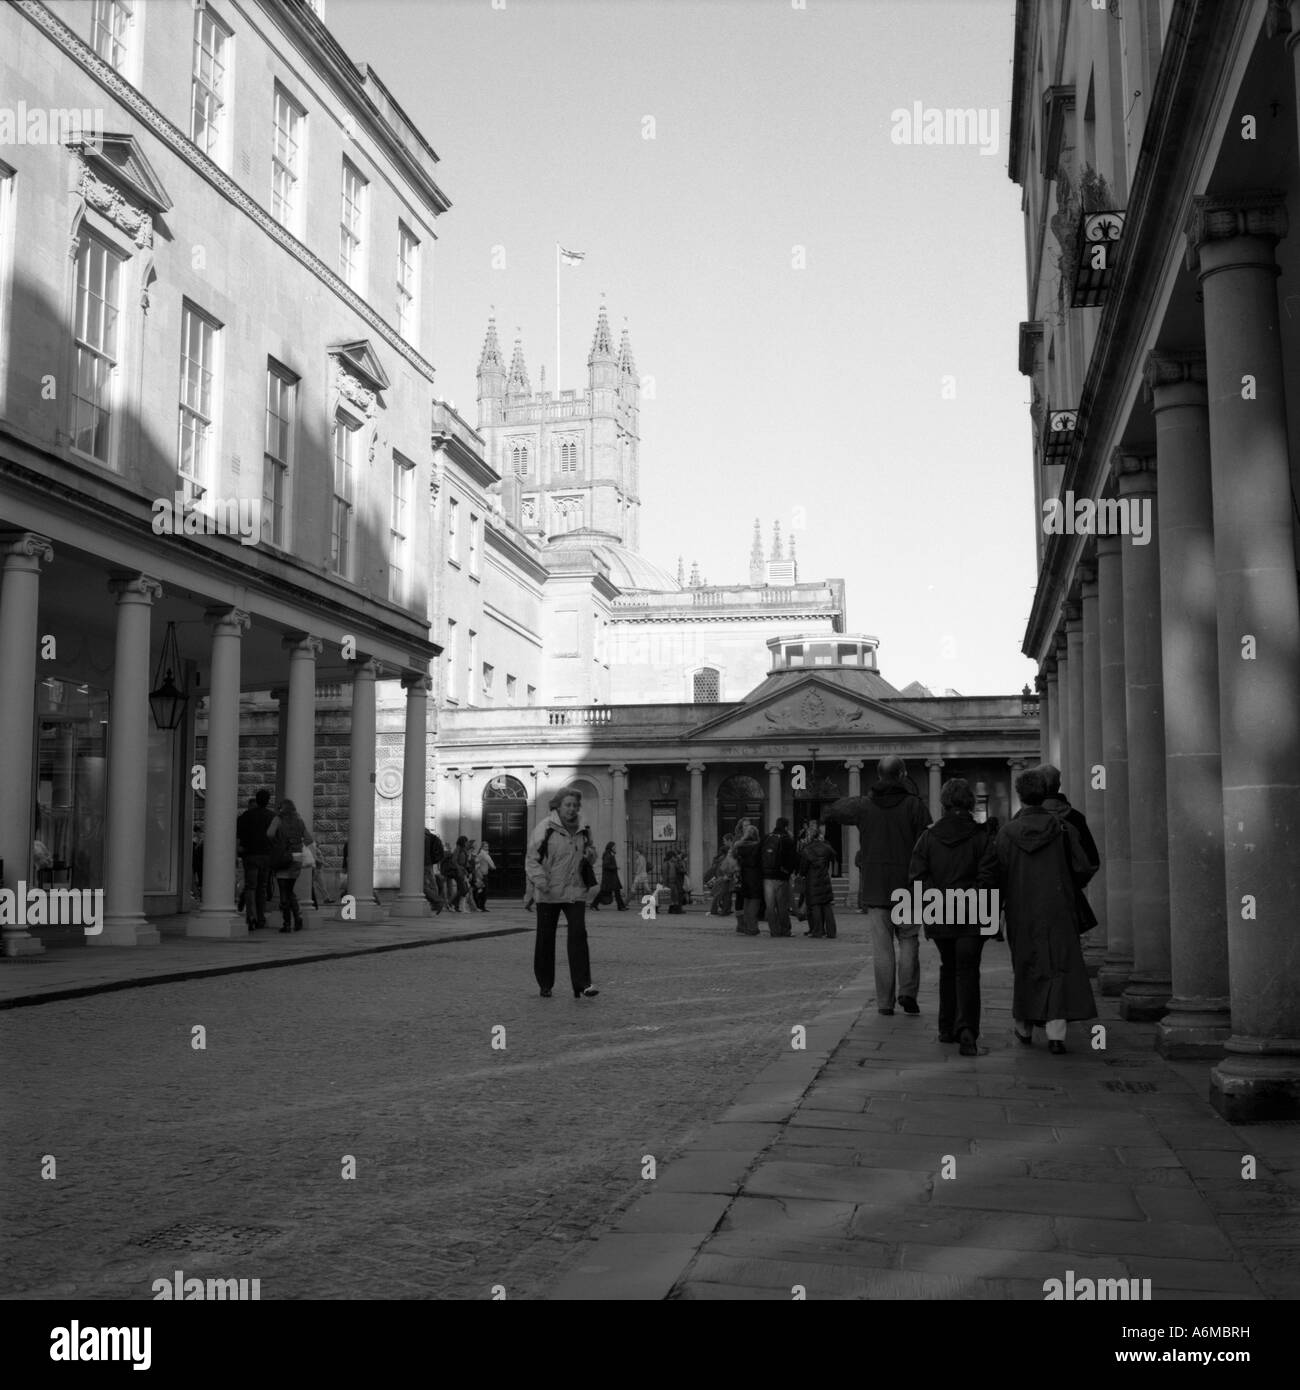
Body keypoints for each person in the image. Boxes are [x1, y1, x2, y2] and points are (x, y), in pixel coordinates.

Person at [990, 767, 1098, 1053]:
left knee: (1025, 966)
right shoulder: (1064, 829)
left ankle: (1024, 1026)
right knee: (1059, 967)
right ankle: (1056, 1034)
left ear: (1020, 796)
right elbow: (1084, 867)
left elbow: (996, 876)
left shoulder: (1006, 833)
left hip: (1021, 909)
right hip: (1059, 907)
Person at [824, 756, 931, 1015]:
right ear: (903, 774)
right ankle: (907, 992)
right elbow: (927, 844)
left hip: (876, 887)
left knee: (882, 947)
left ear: (879, 775)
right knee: (908, 940)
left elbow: (834, 809)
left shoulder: (865, 805)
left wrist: (866, 796)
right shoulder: (915, 806)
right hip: (908, 886)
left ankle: (885, 1002)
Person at [908, 779, 996, 1055]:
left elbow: (918, 877)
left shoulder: (928, 837)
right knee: (968, 969)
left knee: (948, 966)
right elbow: (989, 877)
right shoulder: (982, 837)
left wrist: (938, 901)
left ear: (944, 803)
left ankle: (946, 1027)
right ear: (969, 803)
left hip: (940, 912)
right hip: (973, 913)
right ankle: (967, 1028)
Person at [525, 787, 599, 999]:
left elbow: (591, 853)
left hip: (575, 890)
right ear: (558, 806)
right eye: (568, 804)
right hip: (548, 892)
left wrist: (591, 855)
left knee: (578, 934)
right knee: (545, 938)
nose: (572, 809)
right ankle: (545, 983)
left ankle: (582, 984)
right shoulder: (544, 828)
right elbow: (532, 859)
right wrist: (540, 882)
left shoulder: (584, 828)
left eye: (575, 805)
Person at [1038, 764, 1101, 934]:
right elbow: (1092, 861)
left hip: (1032, 899)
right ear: (1058, 785)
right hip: (1067, 895)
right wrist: (1074, 882)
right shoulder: (1075, 817)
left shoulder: (1020, 821)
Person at [267, 797, 313, 933]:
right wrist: (297, 844)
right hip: (297, 858)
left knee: (283, 891)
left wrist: (278, 841)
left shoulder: (278, 819)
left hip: (283, 857)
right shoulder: (299, 821)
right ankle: (297, 918)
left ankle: (287, 923)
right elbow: (309, 839)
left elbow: (269, 834)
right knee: (289, 889)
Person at [236, 790, 274, 931]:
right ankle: (261, 917)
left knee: (250, 887)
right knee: (262, 888)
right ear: (268, 800)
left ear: (256, 801)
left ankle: (251, 916)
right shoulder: (272, 817)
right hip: (266, 856)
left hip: (250, 855)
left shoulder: (246, 816)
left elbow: (238, 837)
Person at [798, 819, 839, 939]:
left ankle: (818, 931)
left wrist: (802, 874)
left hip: (812, 880)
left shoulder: (807, 850)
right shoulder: (826, 847)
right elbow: (834, 855)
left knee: (815, 905)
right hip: (824, 878)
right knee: (826, 905)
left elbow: (803, 868)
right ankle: (831, 932)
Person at [758, 817, 798, 937]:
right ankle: (785, 930)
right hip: (781, 876)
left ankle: (774, 931)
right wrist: (789, 872)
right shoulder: (787, 839)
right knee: (782, 906)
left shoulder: (766, 837)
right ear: (786, 826)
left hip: (767, 876)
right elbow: (793, 859)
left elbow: (759, 854)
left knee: (770, 906)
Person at [732, 824, 763, 936]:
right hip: (755, 876)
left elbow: (733, 860)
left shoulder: (739, 846)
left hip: (742, 876)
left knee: (746, 901)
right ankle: (752, 927)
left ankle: (745, 925)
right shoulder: (758, 847)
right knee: (754, 902)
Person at [597, 842, 627, 910]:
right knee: (604, 892)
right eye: (614, 846)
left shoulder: (611, 854)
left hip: (612, 876)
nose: (615, 848)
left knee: (617, 892)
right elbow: (606, 865)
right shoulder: (607, 854)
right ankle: (594, 905)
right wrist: (615, 867)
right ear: (610, 847)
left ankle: (621, 906)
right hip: (609, 877)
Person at [423, 828, 445, 913]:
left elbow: (423, 852)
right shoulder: (432, 837)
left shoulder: (423, 838)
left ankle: (437, 901)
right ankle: (436, 902)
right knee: (432, 883)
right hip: (429, 863)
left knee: (420, 886)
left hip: (423, 863)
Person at [474, 840, 495, 911]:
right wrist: (479, 874)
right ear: (482, 847)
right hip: (481, 876)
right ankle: (479, 906)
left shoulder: (486, 854)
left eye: (487, 846)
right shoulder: (481, 854)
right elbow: (476, 864)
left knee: (483, 892)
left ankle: (481, 906)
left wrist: (490, 866)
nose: (487, 847)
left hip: (485, 875)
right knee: (482, 892)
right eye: (485, 846)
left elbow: (487, 863)